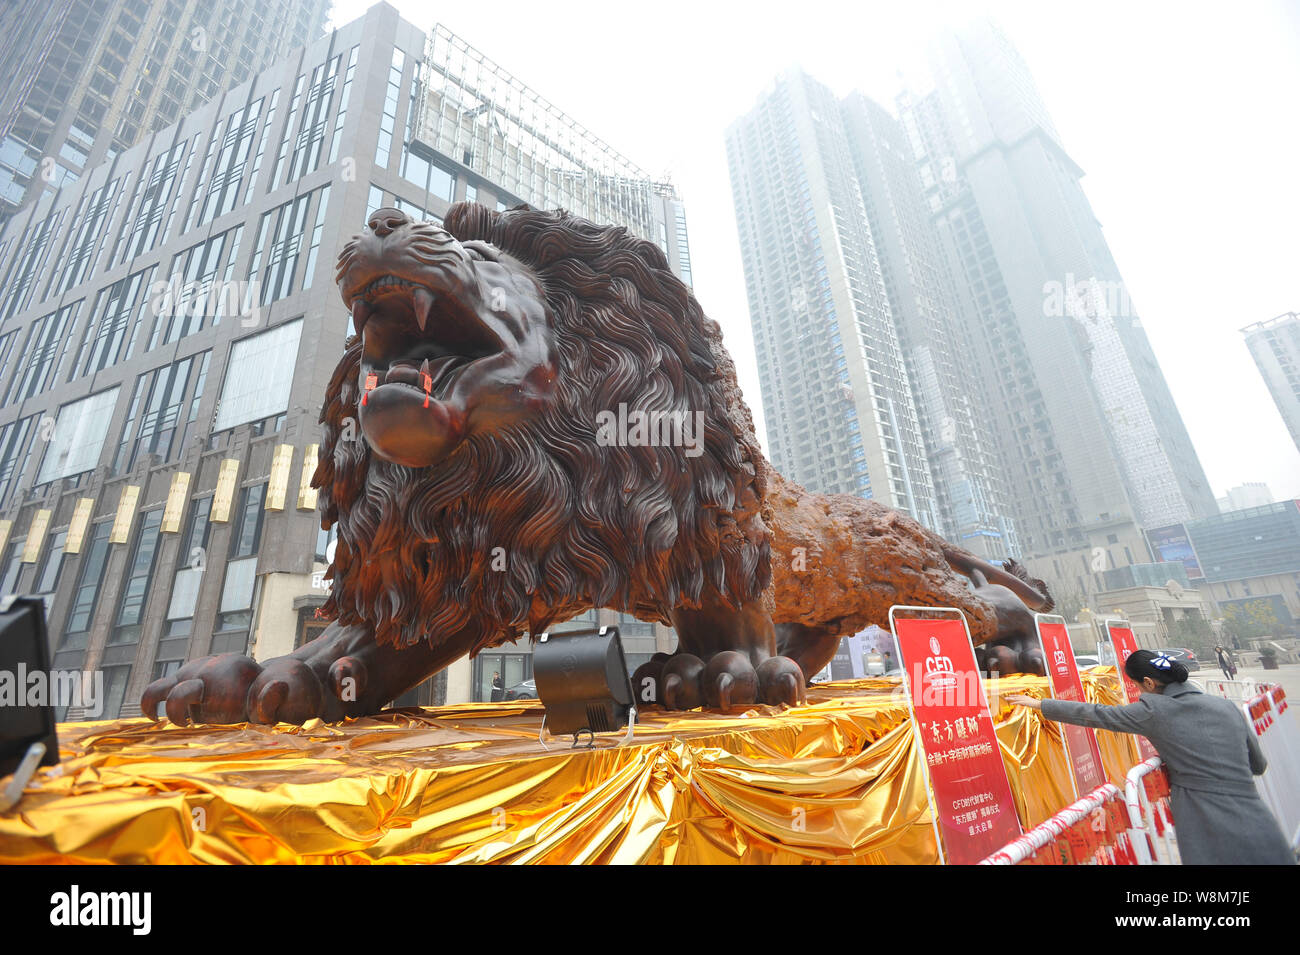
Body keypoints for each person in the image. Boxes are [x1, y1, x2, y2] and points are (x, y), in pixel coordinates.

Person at [1007, 649, 1294, 865]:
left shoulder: (1153, 712)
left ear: (1148, 682)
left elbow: (1094, 714)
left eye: (1136, 685)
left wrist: (1038, 703)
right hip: (1254, 814)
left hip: (1202, 813)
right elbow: (1258, 764)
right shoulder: (1225, 706)